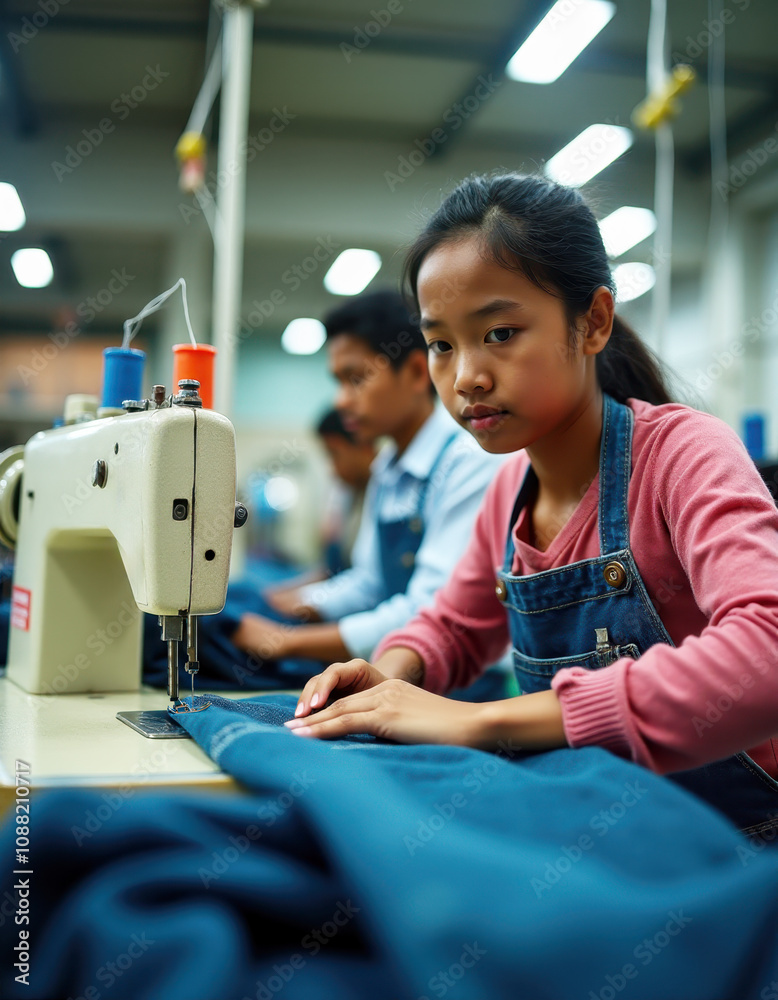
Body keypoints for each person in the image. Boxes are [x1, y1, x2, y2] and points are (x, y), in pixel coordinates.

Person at [283, 172, 778, 839]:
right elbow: (455, 626)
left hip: (736, 840)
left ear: (592, 322)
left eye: (501, 332)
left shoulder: (681, 456)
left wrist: (486, 721)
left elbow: (767, 653)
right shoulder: (510, 491)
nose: (465, 379)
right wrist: (391, 672)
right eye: (440, 344)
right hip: (604, 825)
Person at [177, 288, 510, 696]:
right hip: (396, 664)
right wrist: (303, 606)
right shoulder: (388, 467)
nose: (342, 400)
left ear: (416, 373)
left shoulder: (468, 461)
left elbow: (429, 610)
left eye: (356, 379)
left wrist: (285, 641)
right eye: (338, 382)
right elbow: (368, 582)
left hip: (461, 683)